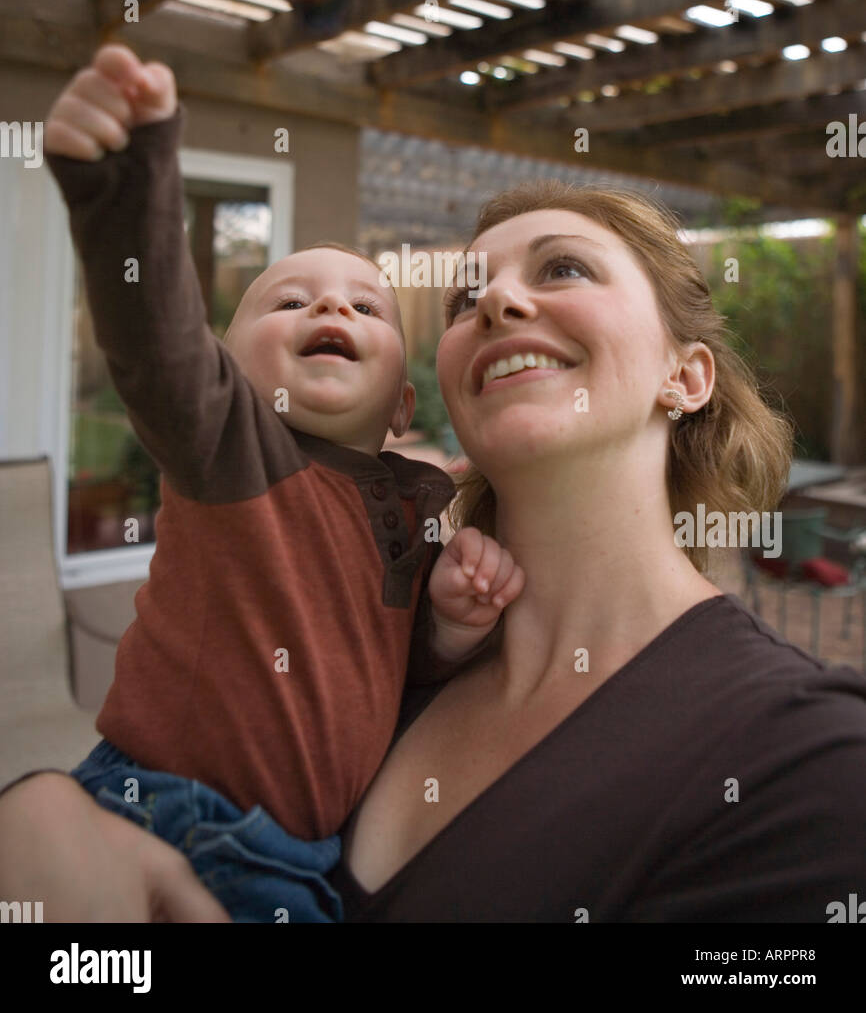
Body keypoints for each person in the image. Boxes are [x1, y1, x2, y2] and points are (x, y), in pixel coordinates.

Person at [3, 179, 866, 921]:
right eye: (465, 299)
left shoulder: (806, 761)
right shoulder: (390, 644)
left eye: (563, 268)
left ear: (685, 376)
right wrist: (37, 810)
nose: (495, 302)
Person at [15, 45, 523, 923]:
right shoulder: (232, 447)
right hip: (160, 805)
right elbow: (156, 338)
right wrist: (124, 184)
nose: (331, 310)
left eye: (366, 308)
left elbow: (398, 667)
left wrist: (451, 623)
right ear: (227, 371)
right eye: (289, 301)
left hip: (299, 856)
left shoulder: (421, 503)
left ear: (403, 402)